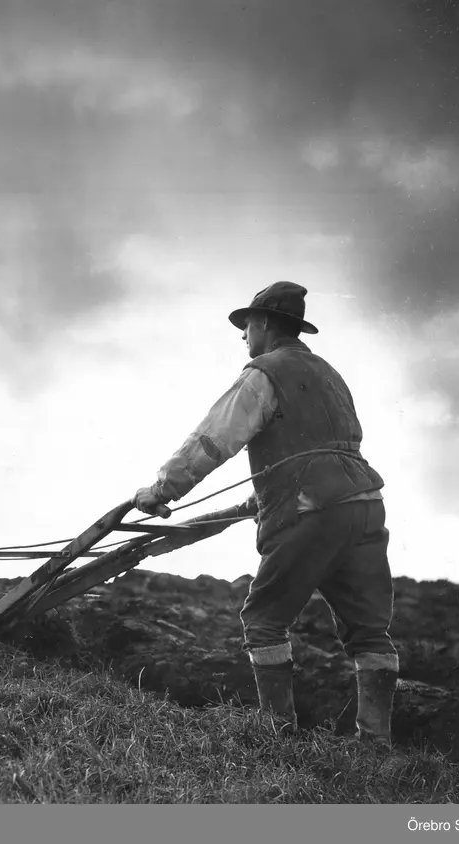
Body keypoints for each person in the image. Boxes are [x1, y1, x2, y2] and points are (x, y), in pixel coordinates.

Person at [131, 281, 399, 748]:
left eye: (247, 326)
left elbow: (212, 441)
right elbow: (330, 448)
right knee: (371, 631)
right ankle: (375, 744)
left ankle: (277, 734)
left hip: (310, 510)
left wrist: (161, 490)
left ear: (264, 325)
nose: (243, 337)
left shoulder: (264, 373)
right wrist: (262, 497)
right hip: (365, 507)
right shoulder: (330, 375)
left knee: (264, 620)